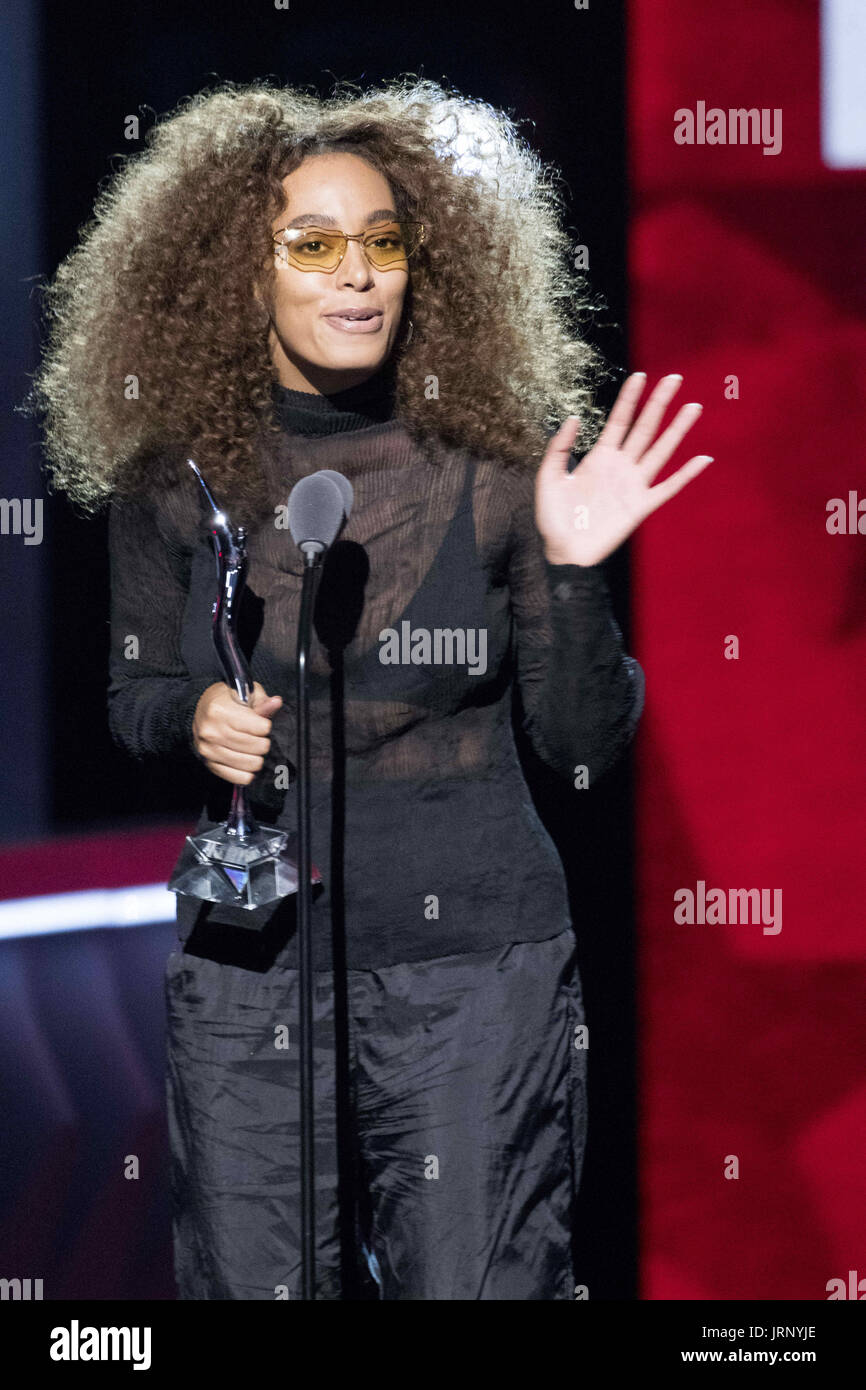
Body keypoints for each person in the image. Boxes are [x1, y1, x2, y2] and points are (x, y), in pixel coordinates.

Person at [29, 79, 711, 1300]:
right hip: (249, 974)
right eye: (317, 245)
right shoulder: (175, 473)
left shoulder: (503, 462)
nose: (360, 275)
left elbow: (581, 745)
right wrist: (192, 716)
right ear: (239, 276)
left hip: (471, 982)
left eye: (385, 243)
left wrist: (570, 571)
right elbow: (131, 700)